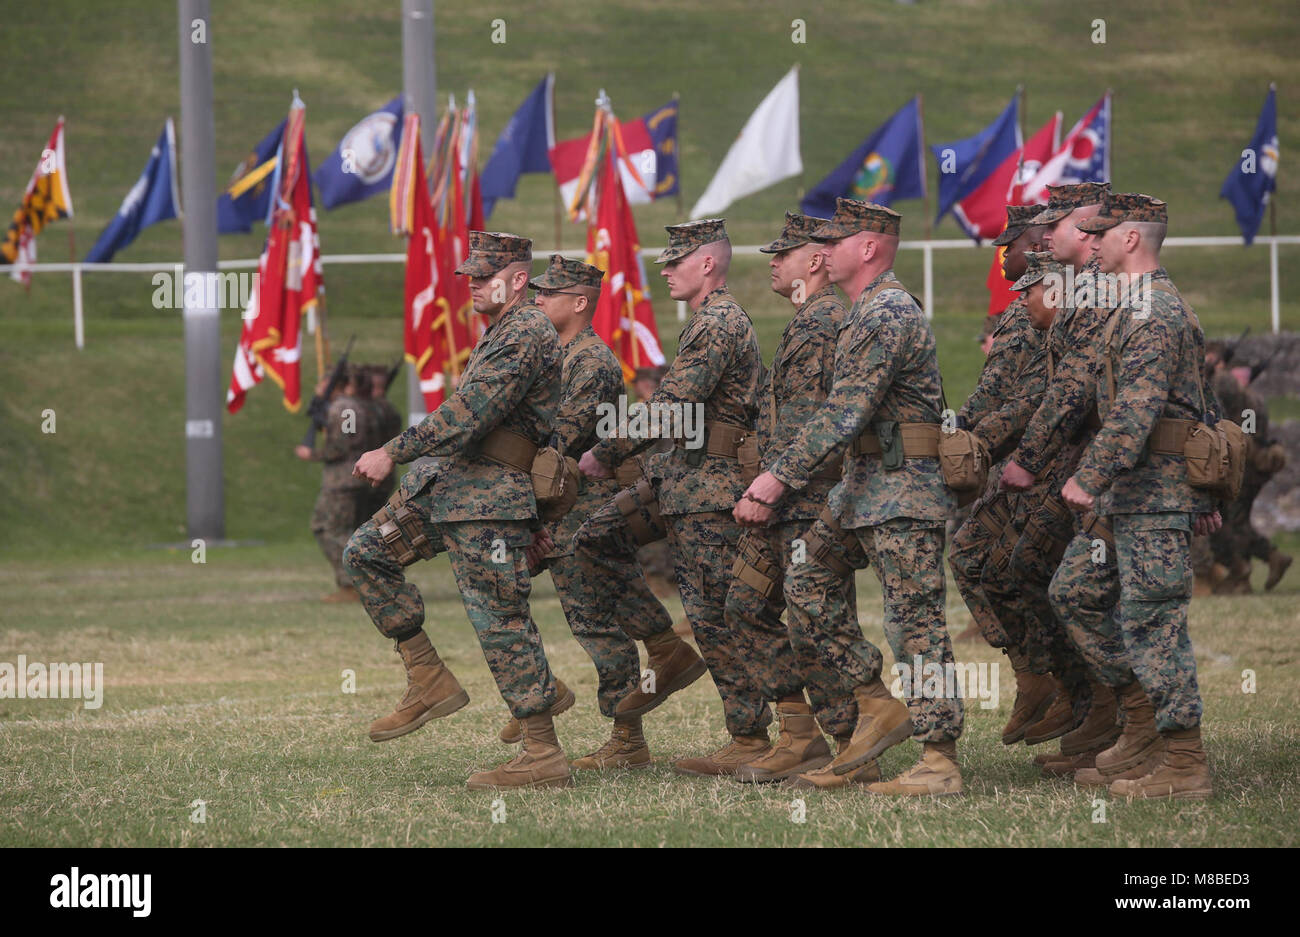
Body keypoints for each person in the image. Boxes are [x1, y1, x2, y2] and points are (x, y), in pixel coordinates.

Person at [737, 198, 962, 797]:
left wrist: (776, 477)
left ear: (867, 248)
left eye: (835, 241)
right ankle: (873, 702)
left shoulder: (886, 311)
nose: (823, 251)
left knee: (916, 623)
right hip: (861, 488)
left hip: (902, 488)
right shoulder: (863, 312)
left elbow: (845, 410)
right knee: (806, 582)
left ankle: (940, 758)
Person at [345, 230, 572, 790]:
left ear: (518, 280)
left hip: (490, 500)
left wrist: (391, 452)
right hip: (451, 489)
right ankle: (427, 676)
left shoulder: (526, 332)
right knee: (365, 552)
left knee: (499, 620)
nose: (472, 284)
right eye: (469, 275)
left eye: (483, 275)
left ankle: (542, 750)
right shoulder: (500, 333)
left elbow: (470, 414)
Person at [579, 218, 772, 778]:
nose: (664, 269)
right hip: (686, 483)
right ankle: (675, 657)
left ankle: (754, 734)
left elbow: (671, 406)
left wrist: (607, 448)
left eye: (677, 260)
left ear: (708, 263)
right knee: (605, 546)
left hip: (711, 489)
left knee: (718, 615)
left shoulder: (717, 322)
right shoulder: (706, 321)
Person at [1054, 193, 1219, 799]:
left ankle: (1184, 762)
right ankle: (1146, 728)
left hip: (1152, 492)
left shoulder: (1153, 312)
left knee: (1154, 620)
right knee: (1079, 593)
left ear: (1131, 240)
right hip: (1137, 492)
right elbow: (1197, 399)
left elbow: (1139, 409)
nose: (1089, 242)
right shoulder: (1134, 306)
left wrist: (1088, 476)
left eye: (1102, 234)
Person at [725, 212, 861, 786]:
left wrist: (776, 484)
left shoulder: (827, 321)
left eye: (783, 254)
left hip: (809, 502)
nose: (773, 263)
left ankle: (853, 740)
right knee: (745, 606)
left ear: (815, 262)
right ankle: (799, 734)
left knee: (814, 619)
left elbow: (827, 422)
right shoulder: (806, 321)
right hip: (782, 502)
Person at [996, 182, 1121, 773]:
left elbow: (1071, 389)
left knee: (1094, 593)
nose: (1046, 235)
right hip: (1081, 468)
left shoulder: (1106, 294)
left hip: (1108, 474)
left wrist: (1024, 456)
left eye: (1060, 224)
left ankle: (1124, 724)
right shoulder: (1085, 294)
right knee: (1043, 573)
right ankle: (1098, 712)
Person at [517, 254, 654, 769]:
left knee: (598, 620)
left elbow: (562, 439)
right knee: (591, 614)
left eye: (548, 294)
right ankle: (544, 698)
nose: (537, 300)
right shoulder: (560, 355)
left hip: (583, 509)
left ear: (578, 303)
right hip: (563, 504)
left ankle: (627, 736)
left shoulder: (590, 361)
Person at [948, 208, 1057, 738]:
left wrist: (977, 440)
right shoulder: (1025, 306)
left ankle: (1079, 689)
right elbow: (1000, 391)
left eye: (1006, 247)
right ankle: (1039, 674)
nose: (1001, 257)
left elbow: (1041, 396)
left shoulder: (1061, 304)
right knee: (975, 558)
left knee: (1053, 580)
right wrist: (960, 431)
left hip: (1048, 467)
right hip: (1020, 464)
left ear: (1035, 243)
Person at [296, 365, 371, 602]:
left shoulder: (344, 408)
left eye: (321, 384)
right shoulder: (347, 407)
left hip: (341, 481)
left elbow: (344, 445)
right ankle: (353, 581)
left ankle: (355, 582)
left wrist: (313, 455)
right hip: (347, 479)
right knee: (332, 528)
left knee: (331, 530)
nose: (317, 389)